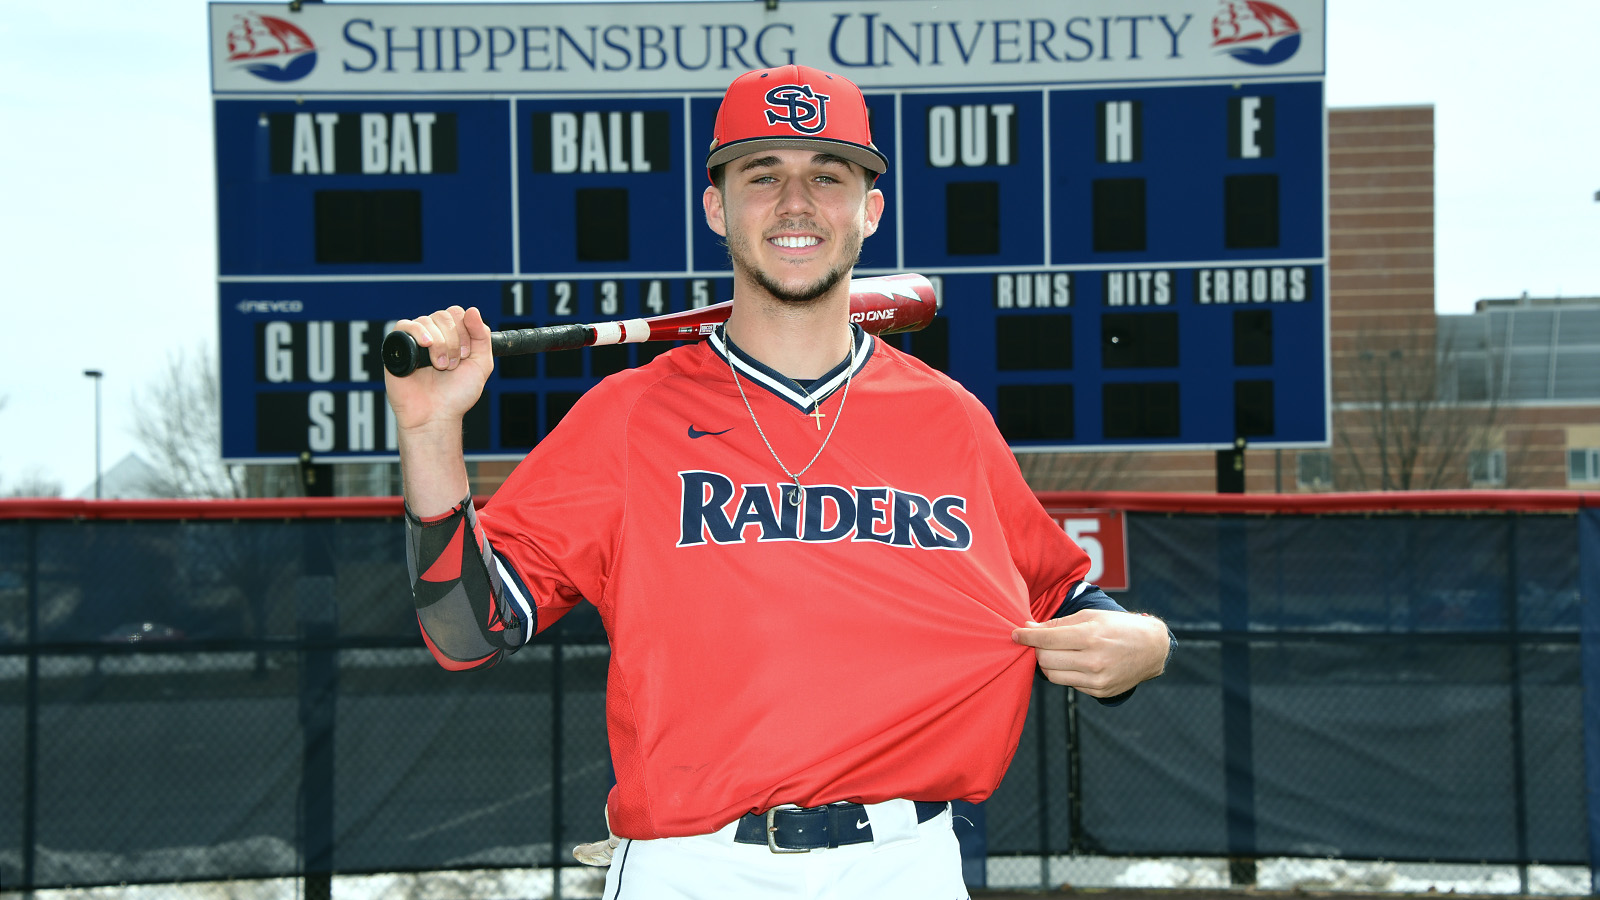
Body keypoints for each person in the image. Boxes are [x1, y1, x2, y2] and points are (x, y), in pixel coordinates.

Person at [385, 63, 1173, 900]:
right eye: (763, 176)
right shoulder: (629, 416)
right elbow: (466, 632)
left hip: (908, 864)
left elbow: (1062, 595)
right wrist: (431, 434)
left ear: (868, 210)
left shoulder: (951, 421)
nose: (796, 202)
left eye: (827, 177)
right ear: (717, 207)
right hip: (696, 869)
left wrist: (1144, 645)